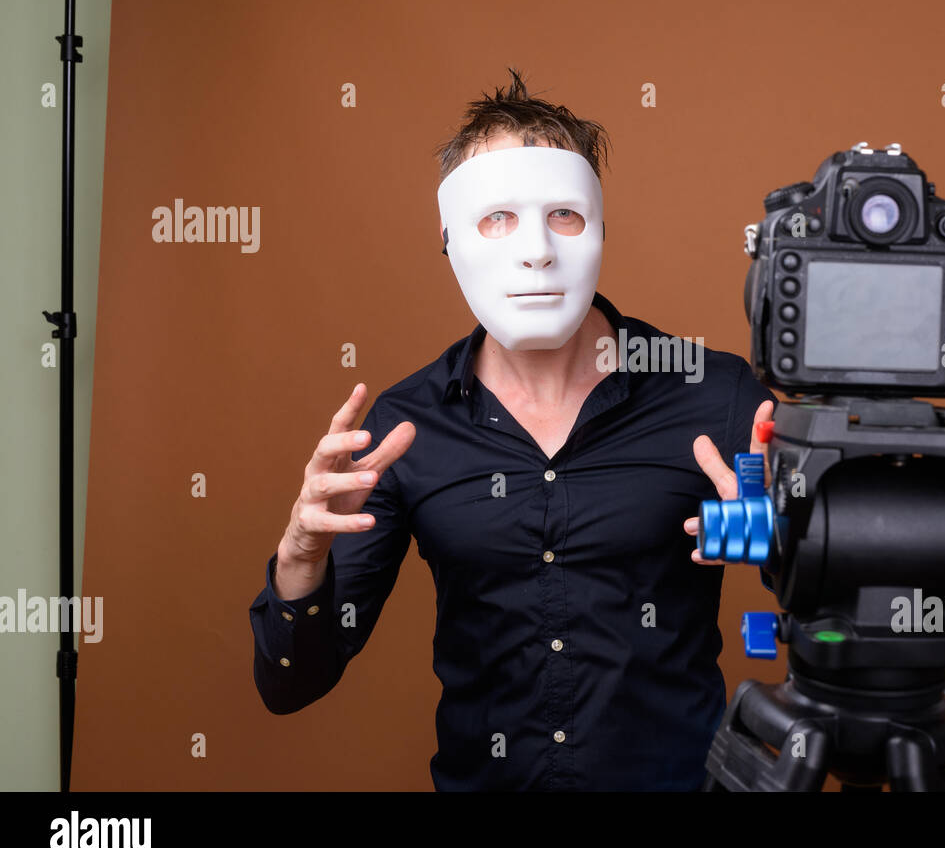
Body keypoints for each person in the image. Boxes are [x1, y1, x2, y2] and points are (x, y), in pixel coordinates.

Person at [247, 68, 777, 790]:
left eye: (564, 214)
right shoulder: (406, 427)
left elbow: (834, 611)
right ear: (446, 234)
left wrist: (783, 538)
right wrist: (301, 555)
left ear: (598, 221)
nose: (537, 249)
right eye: (497, 216)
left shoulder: (713, 395)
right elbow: (292, 683)